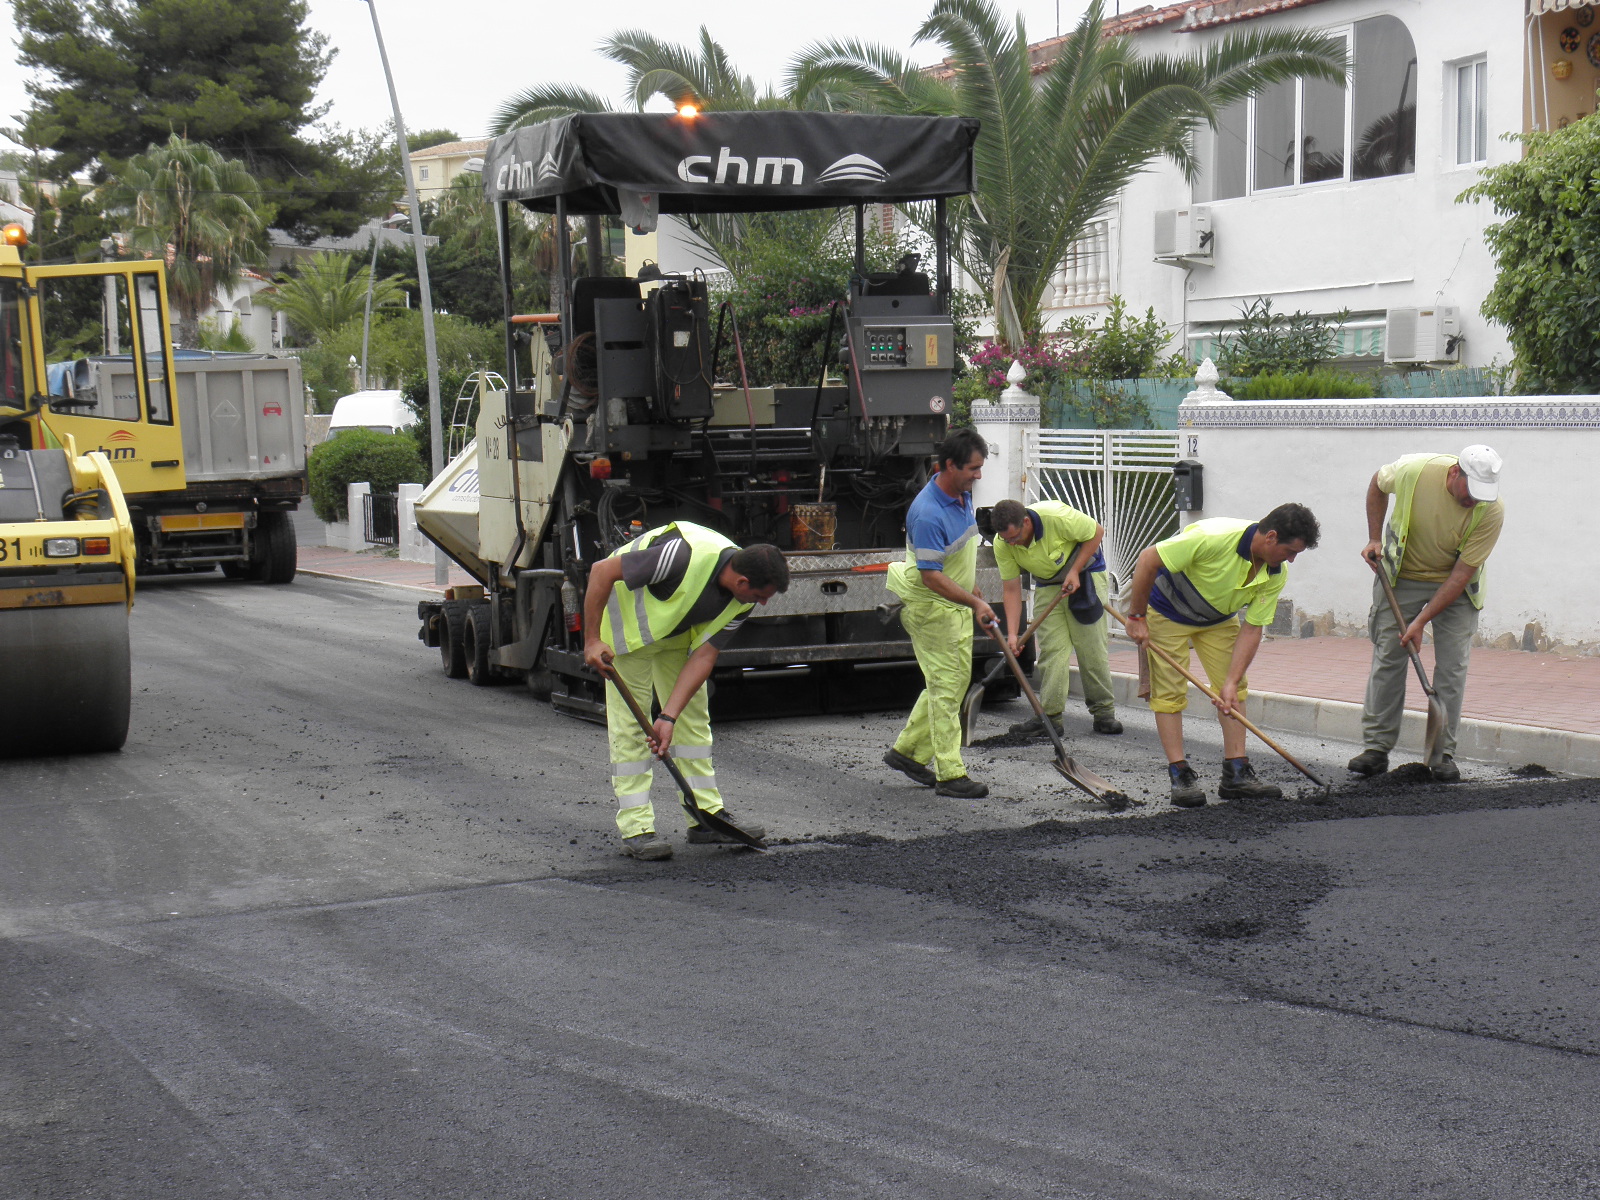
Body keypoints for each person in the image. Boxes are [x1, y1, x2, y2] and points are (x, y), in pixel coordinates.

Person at [583, 521, 788, 860]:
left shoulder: (743, 600)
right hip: (627, 635)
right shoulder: (682, 556)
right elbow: (602, 571)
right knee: (631, 730)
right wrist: (591, 639)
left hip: (676, 634)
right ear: (742, 582)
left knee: (692, 719)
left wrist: (668, 716)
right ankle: (637, 829)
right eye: (760, 596)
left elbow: (705, 655)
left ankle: (704, 817)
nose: (762, 604)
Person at [1124, 504, 1320, 807]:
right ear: (1270, 537)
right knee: (1169, 692)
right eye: (1290, 551)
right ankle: (1180, 773)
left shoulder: (1274, 572)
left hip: (1217, 619)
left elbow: (1253, 628)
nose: (1292, 559)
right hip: (1167, 611)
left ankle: (1236, 774)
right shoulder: (1213, 538)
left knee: (1235, 690)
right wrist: (1136, 617)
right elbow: (1149, 558)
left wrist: (1229, 681)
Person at [1348, 446, 1504, 783]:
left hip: (1456, 587)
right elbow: (1377, 482)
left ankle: (1441, 754)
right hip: (1402, 575)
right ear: (1453, 474)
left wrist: (1419, 623)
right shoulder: (1414, 471)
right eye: (1470, 493)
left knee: (1452, 667)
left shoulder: (1491, 511)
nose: (1474, 501)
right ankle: (1376, 749)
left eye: (1482, 496)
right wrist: (1374, 537)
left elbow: (1461, 575)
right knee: (1389, 655)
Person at [882, 426, 996, 799]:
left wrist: (974, 590)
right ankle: (950, 773)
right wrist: (975, 601)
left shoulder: (960, 496)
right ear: (949, 465)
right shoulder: (929, 513)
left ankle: (907, 753)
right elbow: (931, 577)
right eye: (973, 469)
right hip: (932, 610)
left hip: (954, 606)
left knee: (947, 684)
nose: (978, 475)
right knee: (947, 688)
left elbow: (956, 559)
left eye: (980, 468)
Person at [990, 497, 1122, 738]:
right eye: (1006, 540)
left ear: (1026, 522)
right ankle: (1049, 718)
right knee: (1052, 651)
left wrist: (1073, 571)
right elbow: (1011, 588)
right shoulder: (1003, 543)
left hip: (1085, 575)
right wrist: (1011, 634)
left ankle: (1104, 714)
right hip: (1048, 584)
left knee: (1090, 647)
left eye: (1015, 537)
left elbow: (1096, 532)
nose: (1011, 543)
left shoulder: (1056, 516)